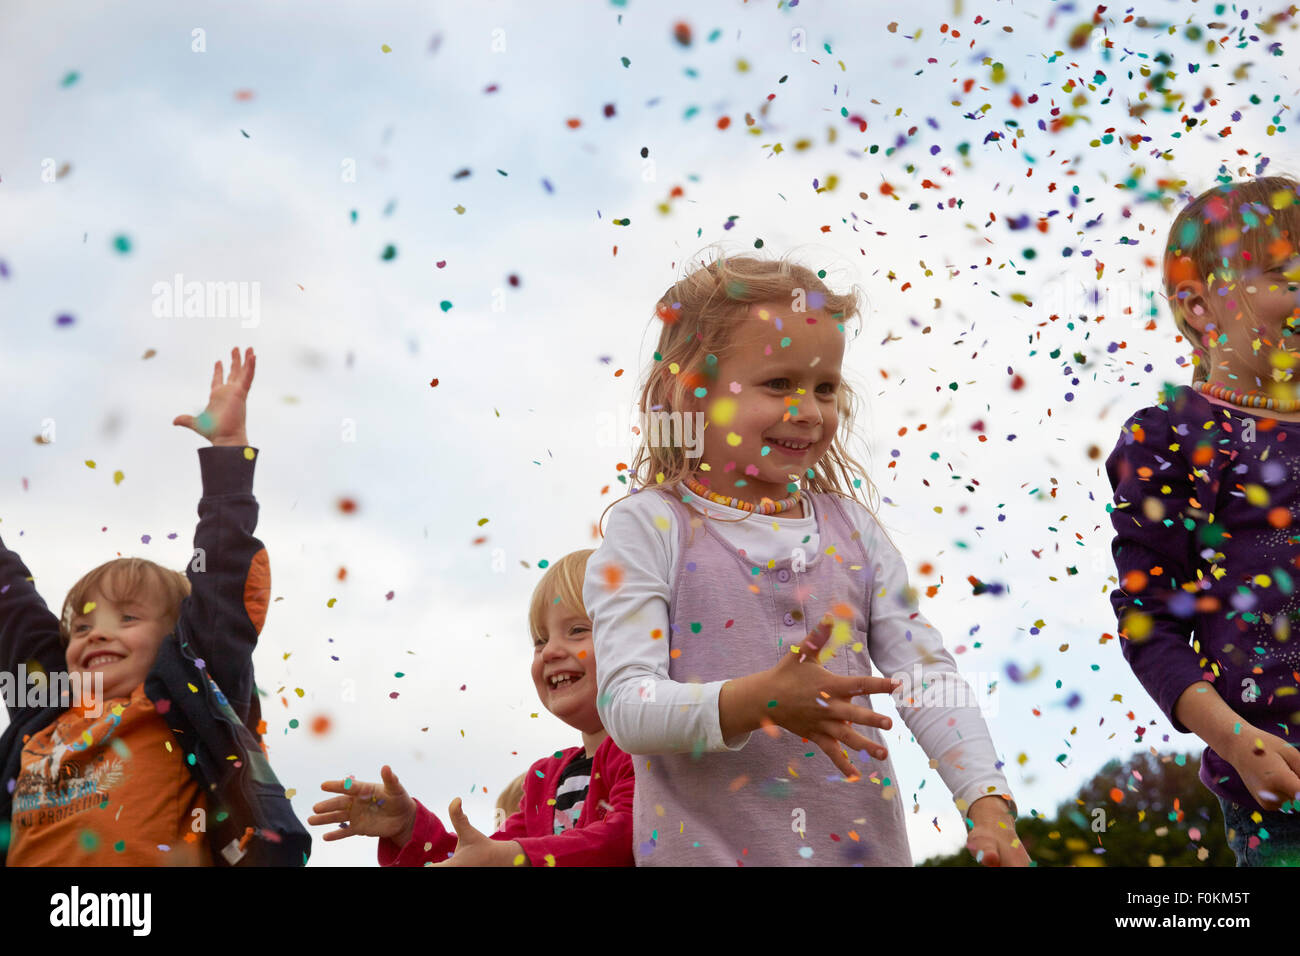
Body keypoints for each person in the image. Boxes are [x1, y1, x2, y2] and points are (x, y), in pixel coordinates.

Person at [584, 251, 1026, 866]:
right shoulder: (650, 527)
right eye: (779, 384)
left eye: (825, 388)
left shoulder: (855, 532)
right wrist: (759, 701)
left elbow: (928, 676)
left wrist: (989, 806)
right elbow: (627, 706)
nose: (810, 410)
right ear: (689, 392)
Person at [0, 347, 309, 866]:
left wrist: (229, 452)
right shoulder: (45, 707)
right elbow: (10, 605)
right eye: (81, 627)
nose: (96, 634)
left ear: (175, 641)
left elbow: (220, 589)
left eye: (127, 619)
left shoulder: (184, 697)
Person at [1107, 175, 1300, 865]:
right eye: (1288, 278)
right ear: (1198, 304)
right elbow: (1148, 620)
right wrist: (1235, 740)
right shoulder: (1174, 437)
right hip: (1283, 795)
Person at [310, 549, 634, 866]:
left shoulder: (647, 755)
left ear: (637, 642)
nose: (550, 652)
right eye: (539, 640)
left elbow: (623, 839)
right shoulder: (543, 779)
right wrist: (408, 827)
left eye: (577, 630)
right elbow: (482, 856)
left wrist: (514, 857)